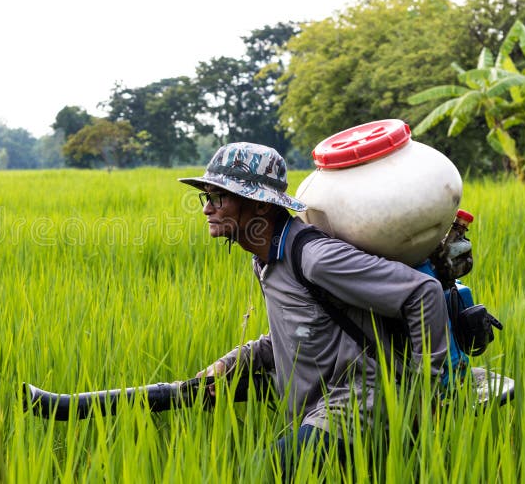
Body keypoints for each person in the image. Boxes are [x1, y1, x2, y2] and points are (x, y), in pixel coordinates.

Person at [179, 142, 450, 472]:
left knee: (262, 472)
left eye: (219, 197)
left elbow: (423, 292)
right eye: (206, 197)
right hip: (318, 407)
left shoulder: (315, 259)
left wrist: (426, 393)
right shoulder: (266, 260)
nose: (207, 208)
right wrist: (230, 363)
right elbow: (294, 331)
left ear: (261, 206)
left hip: (356, 407)